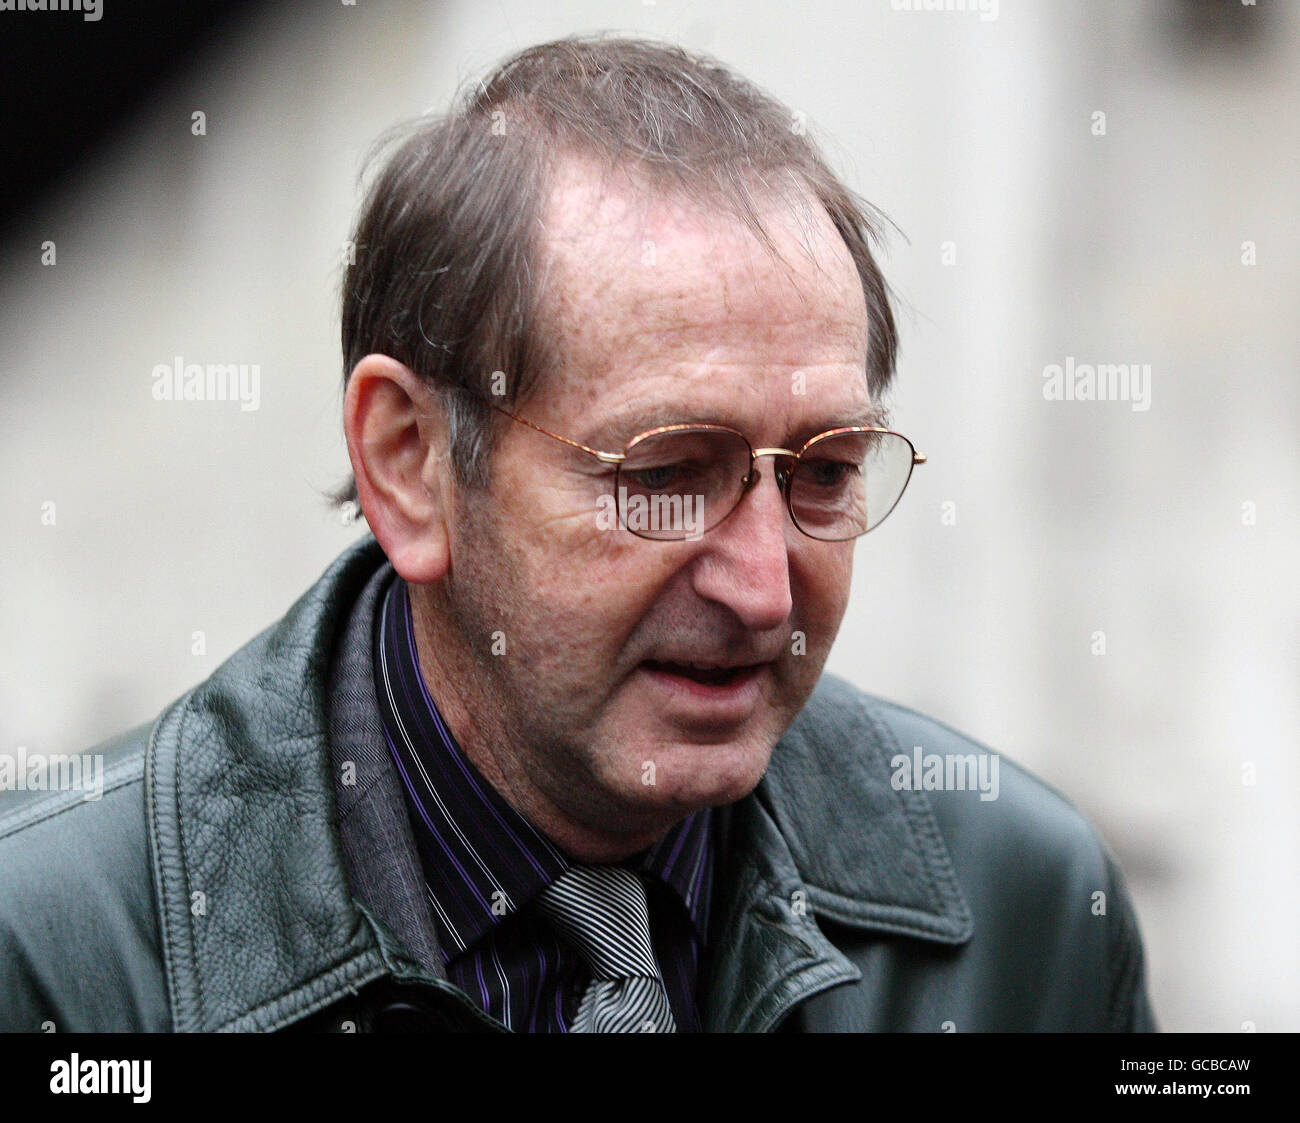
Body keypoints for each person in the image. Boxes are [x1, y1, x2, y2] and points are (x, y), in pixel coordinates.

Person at [0, 34, 1156, 1033]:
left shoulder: (1024, 910)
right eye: (663, 474)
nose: (763, 590)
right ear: (408, 464)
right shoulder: (54, 952)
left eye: (823, 472)